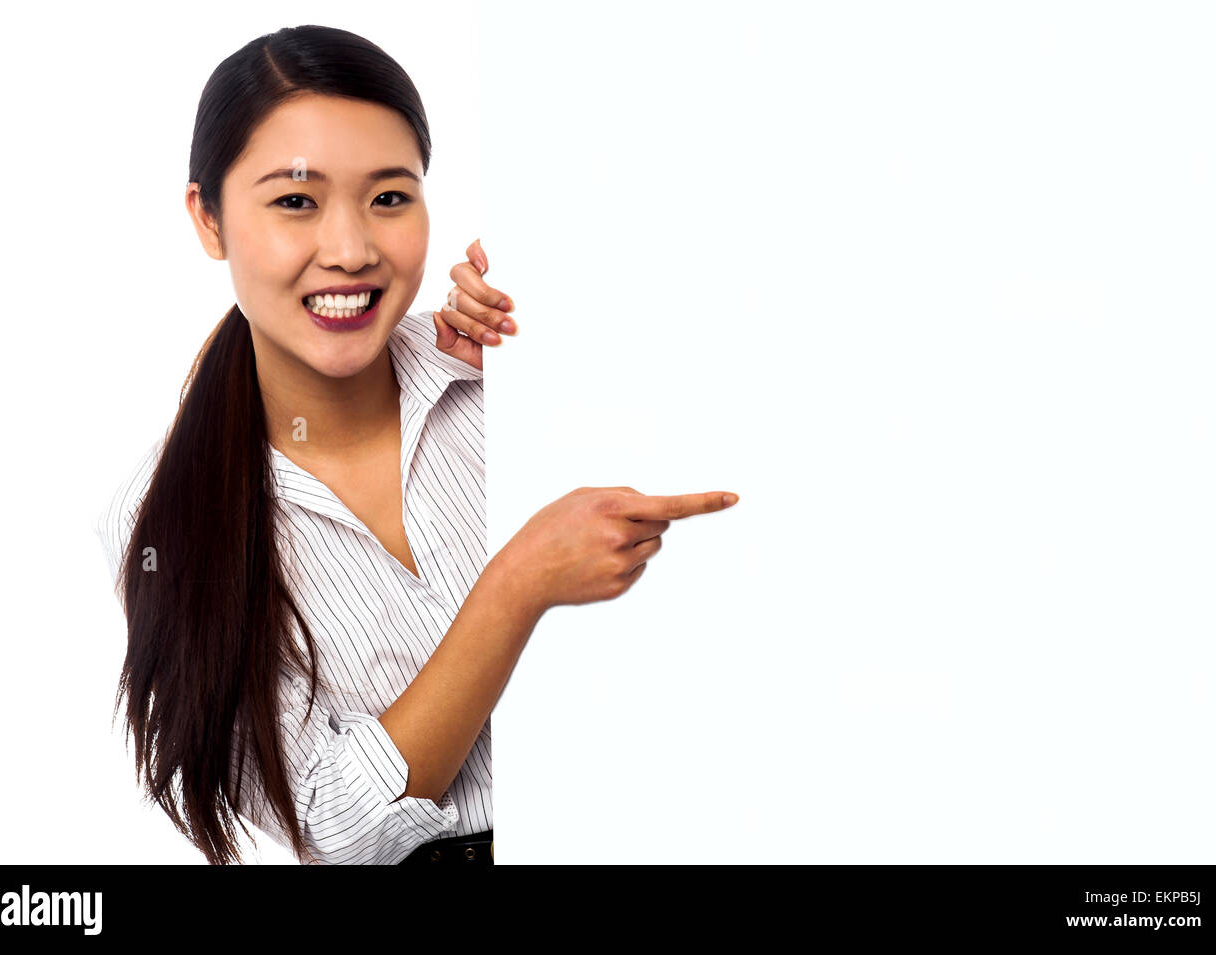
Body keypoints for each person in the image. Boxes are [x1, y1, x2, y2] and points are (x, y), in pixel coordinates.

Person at [94, 24, 740, 866]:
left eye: (390, 197)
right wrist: (516, 586)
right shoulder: (164, 518)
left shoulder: (499, 368)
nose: (353, 250)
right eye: (295, 200)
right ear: (208, 218)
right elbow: (333, 827)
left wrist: (574, 318)